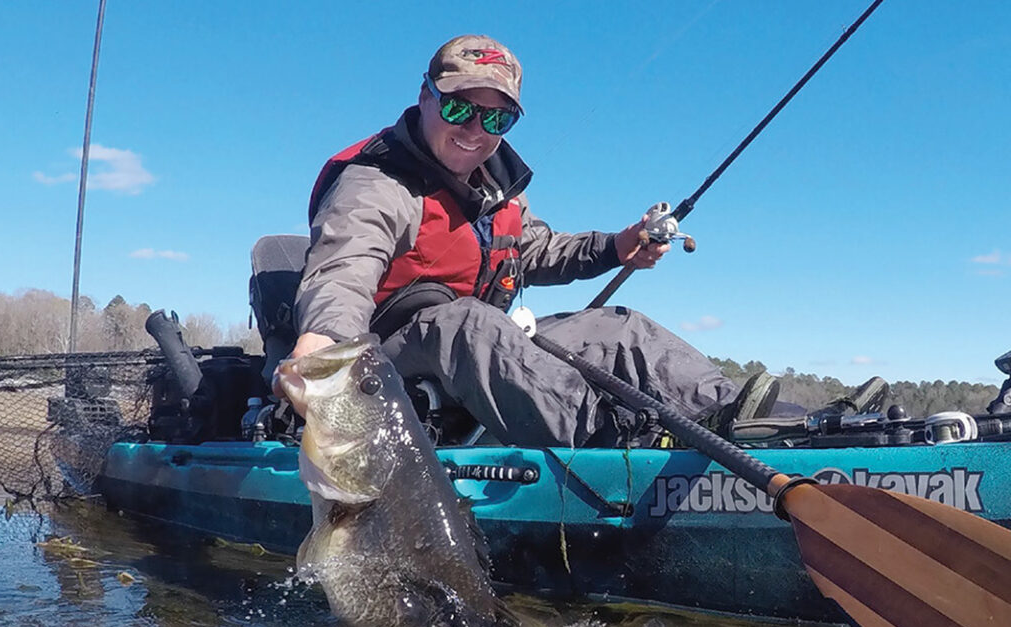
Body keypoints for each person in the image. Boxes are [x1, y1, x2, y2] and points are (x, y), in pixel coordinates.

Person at [276, 34, 885, 447]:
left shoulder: (496, 188)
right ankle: (617, 447)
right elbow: (343, 270)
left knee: (619, 328)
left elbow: (537, 252)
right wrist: (322, 344)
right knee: (466, 323)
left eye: (497, 119)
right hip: (386, 360)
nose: (477, 131)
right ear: (426, 96)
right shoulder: (376, 184)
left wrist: (620, 246)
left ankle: (764, 426)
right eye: (462, 108)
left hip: (481, 348)